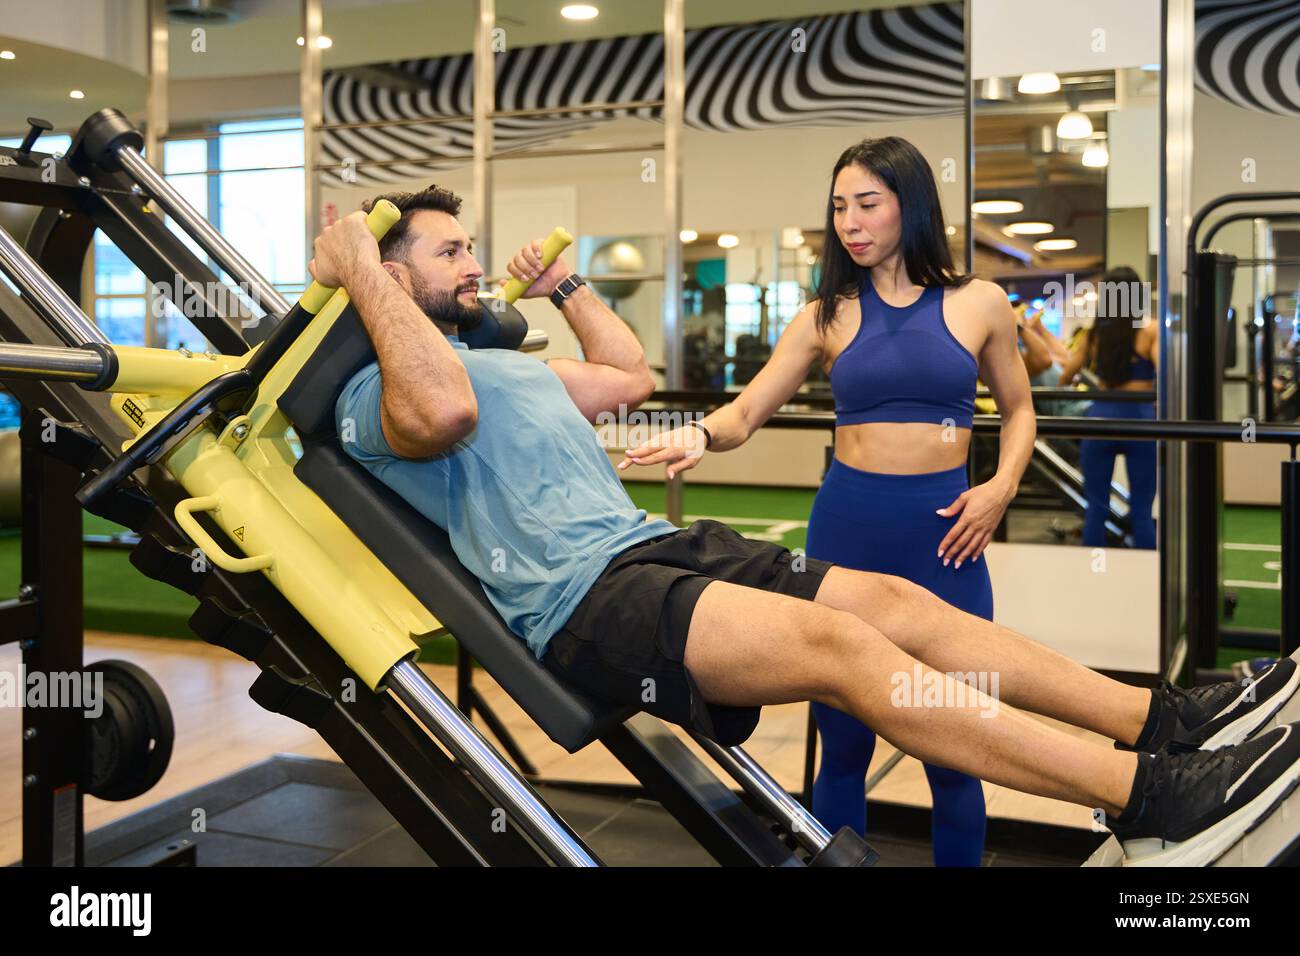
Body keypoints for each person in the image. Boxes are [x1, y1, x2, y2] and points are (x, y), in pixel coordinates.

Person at [315, 184, 1300, 867]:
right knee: (843, 647)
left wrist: (564, 292)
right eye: (451, 252)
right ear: (394, 281)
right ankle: (1152, 792)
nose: (476, 264)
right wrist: (361, 262)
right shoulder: (377, 390)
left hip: (653, 548)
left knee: (893, 601)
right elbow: (440, 413)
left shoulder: (503, 360)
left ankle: (1160, 718)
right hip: (586, 601)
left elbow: (625, 377)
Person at [629, 137, 1036, 865]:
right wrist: (696, 431)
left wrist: (1000, 487)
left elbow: (1020, 410)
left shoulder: (981, 304)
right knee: (843, 742)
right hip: (848, 532)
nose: (850, 221)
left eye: (867, 204)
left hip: (948, 537)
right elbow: (746, 413)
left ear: (909, 206)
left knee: (957, 745)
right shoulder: (827, 314)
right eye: (840, 206)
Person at [1059, 266, 1158, 548]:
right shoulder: (1149, 329)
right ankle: (1147, 581)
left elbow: (1067, 375)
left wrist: (1079, 377)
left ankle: (1094, 578)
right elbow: (1166, 374)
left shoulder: (1093, 334)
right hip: (1139, 419)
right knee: (1141, 509)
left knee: (1096, 508)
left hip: (1101, 417)